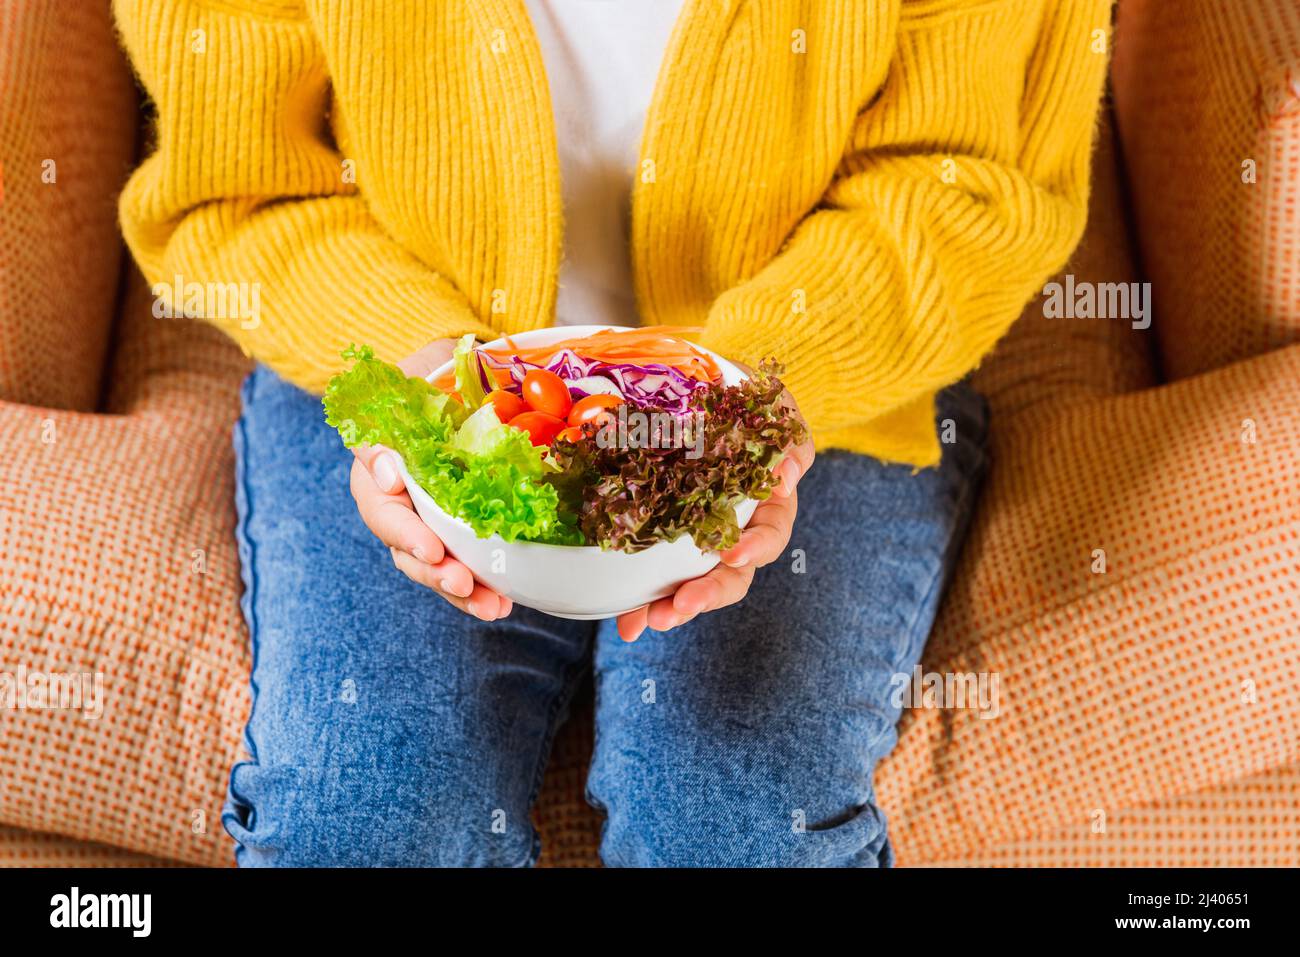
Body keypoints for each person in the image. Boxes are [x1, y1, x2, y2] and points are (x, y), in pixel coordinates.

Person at [116, 0, 1110, 866]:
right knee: (363, 820)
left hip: (827, 355)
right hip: (387, 332)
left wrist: (751, 409)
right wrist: (426, 390)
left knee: (727, 826)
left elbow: (969, 179)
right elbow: (244, 183)